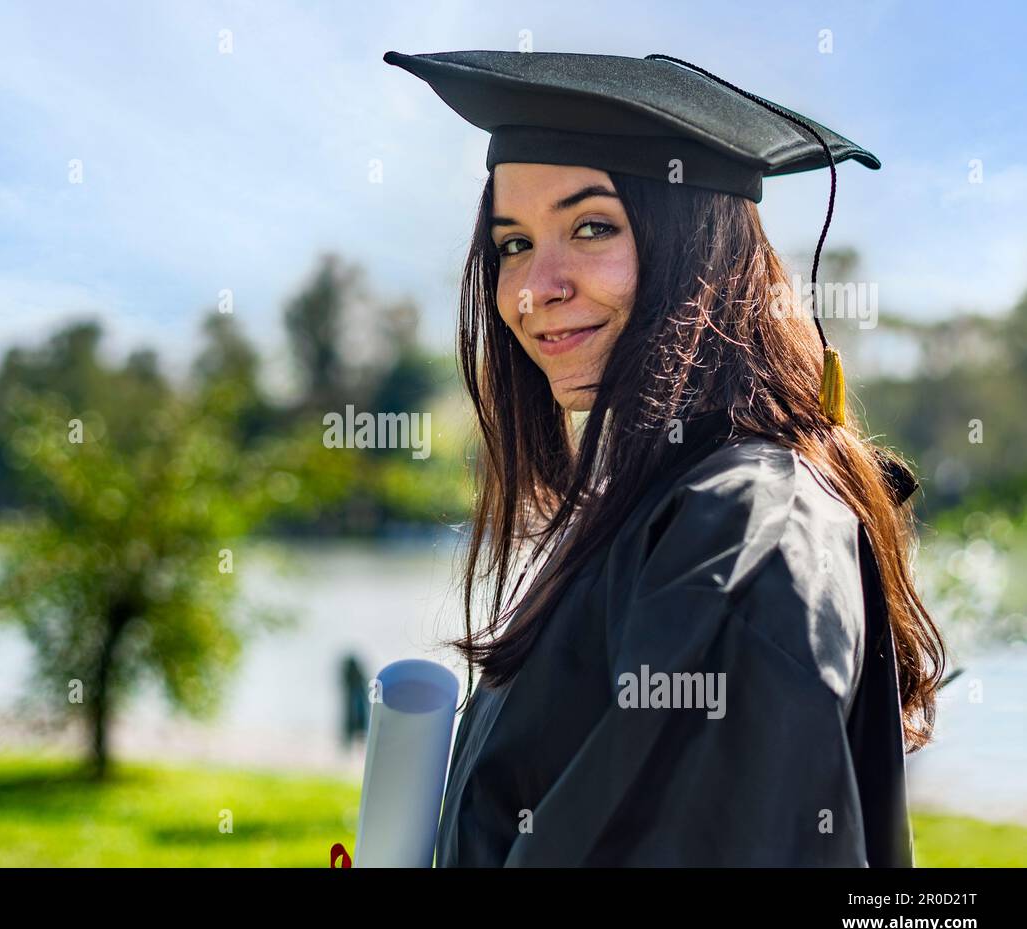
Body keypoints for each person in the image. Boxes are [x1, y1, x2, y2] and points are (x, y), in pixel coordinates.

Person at [384, 49, 946, 866]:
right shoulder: (650, 505)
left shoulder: (746, 528)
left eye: (591, 227)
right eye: (512, 242)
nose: (535, 287)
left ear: (699, 247)